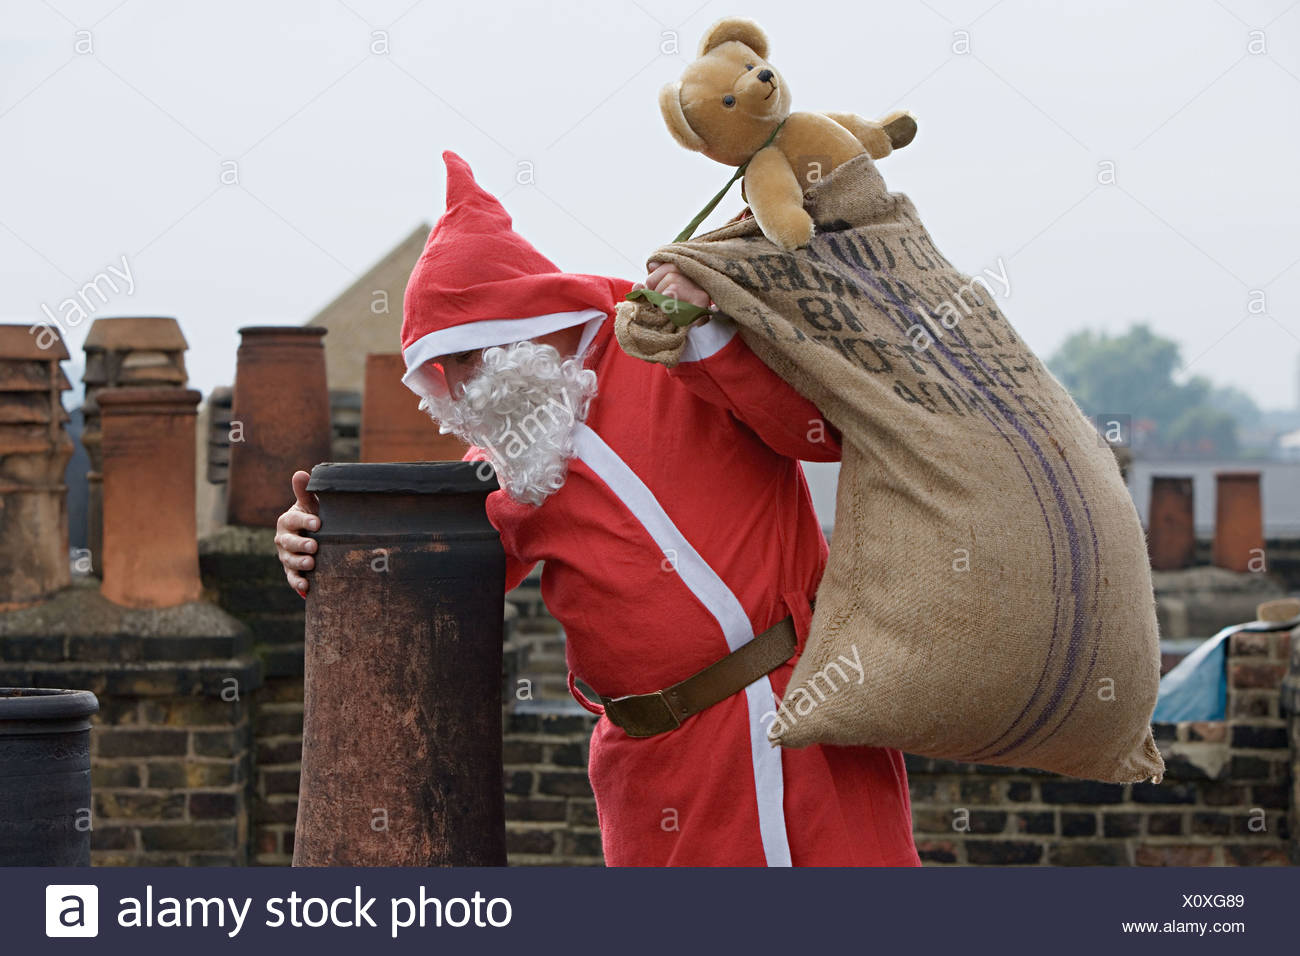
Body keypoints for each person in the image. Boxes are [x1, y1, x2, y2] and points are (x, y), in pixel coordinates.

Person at [275, 151, 920, 867]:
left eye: (466, 356)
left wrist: (716, 334)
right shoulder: (507, 461)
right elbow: (422, 585)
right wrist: (319, 548)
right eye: (443, 370)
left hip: (792, 726)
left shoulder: (676, 344)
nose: (461, 390)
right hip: (646, 770)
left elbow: (826, 431)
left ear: (522, 316)